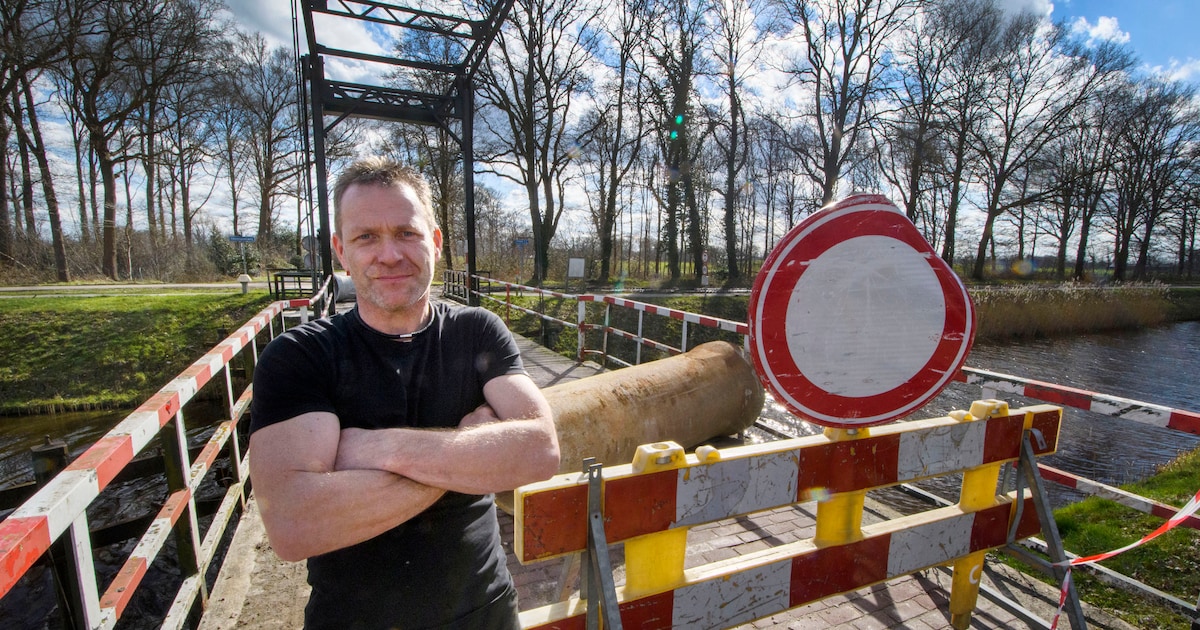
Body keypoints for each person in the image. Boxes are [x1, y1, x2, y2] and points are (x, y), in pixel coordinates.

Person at [248, 156, 560, 629]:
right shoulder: (300, 356)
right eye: (366, 237)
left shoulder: (477, 332)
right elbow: (293, 525)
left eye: (406, 233)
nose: (389, 254)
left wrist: (376, 447)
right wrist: (466, 451)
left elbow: (540, 450)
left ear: (435, 241)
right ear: (340, 251)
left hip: (485, 613)